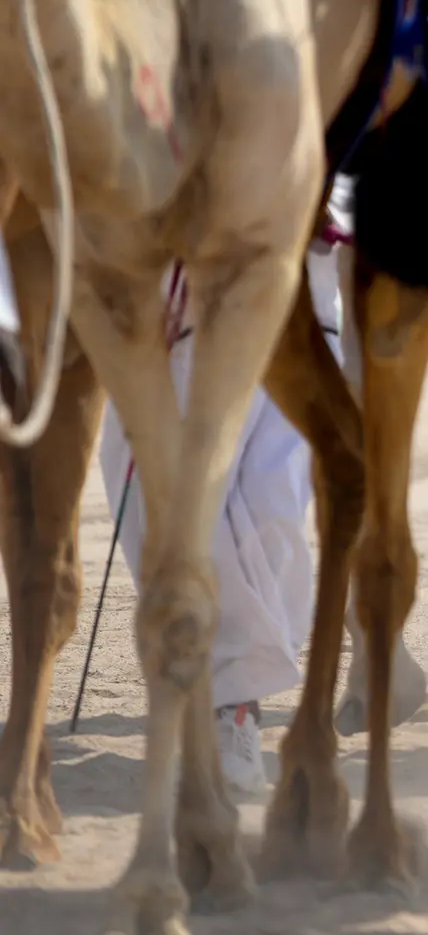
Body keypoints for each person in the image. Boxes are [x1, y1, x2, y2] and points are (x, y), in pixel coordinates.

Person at [91, 233, 342, 794]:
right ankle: (225, 698)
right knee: (163, 496)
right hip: (179, 308)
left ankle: (233, 710)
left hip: (298, 306)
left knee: (268, 504)